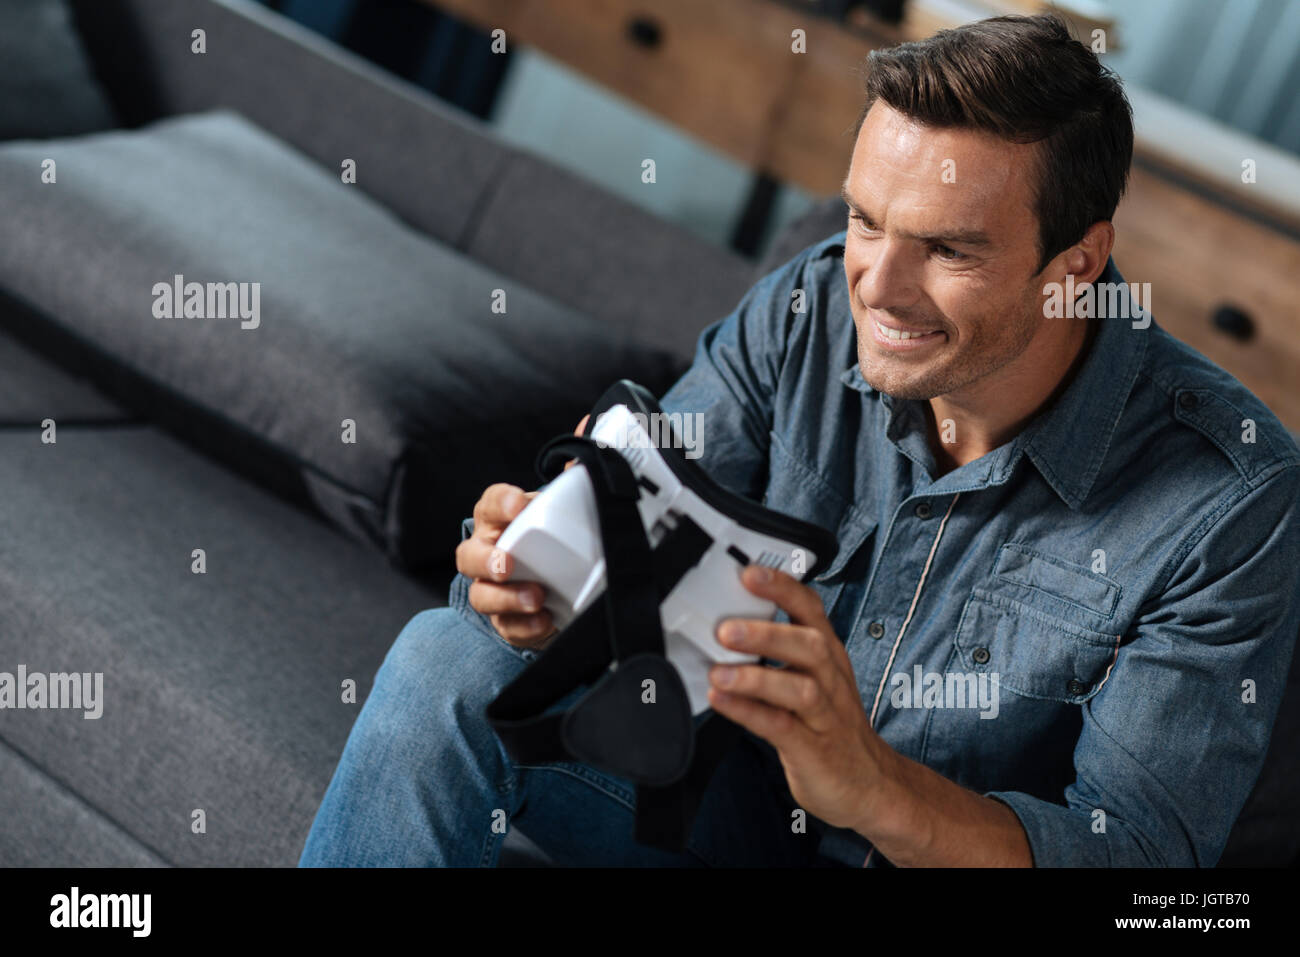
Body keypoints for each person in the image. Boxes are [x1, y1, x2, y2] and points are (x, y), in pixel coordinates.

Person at [299, 13, 1300, 867]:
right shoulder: (812, 304)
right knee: (451, 658)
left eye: (947, 248)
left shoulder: (1229, 499)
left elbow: (1135, 866)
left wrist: (869, 787)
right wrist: (545, 593)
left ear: (1073, 266)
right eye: (868, 220)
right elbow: (646, 568)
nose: (877, 285)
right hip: (718, 803)